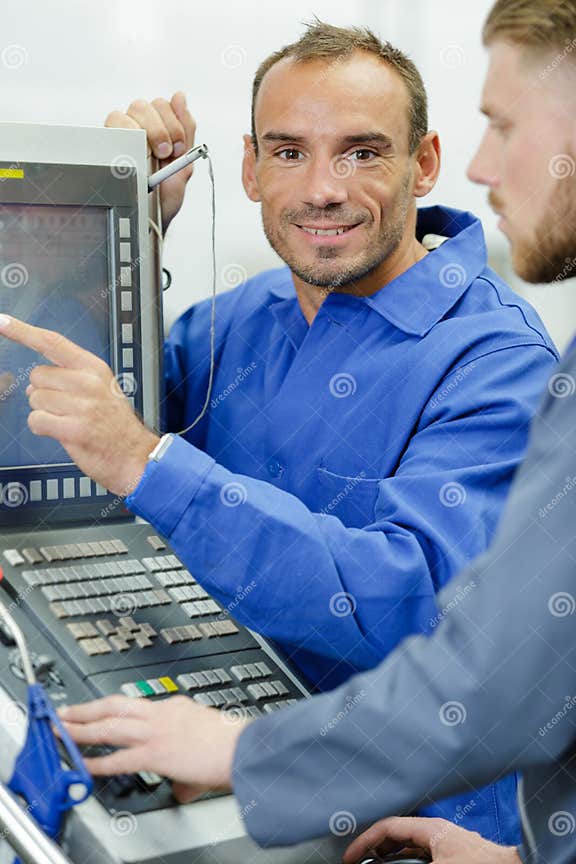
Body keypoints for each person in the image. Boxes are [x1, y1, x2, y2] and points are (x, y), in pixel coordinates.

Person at [0, 16, 565, 853]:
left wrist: (152, 463)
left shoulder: (498, 362)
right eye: (289, 151)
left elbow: (418, 604)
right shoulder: (236, 320)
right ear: (250, 169)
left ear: (427, 162)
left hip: (402, 825)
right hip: (203, 778)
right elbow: (62, 440)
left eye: (363, 152)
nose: (322, 188)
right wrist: (127, 221)